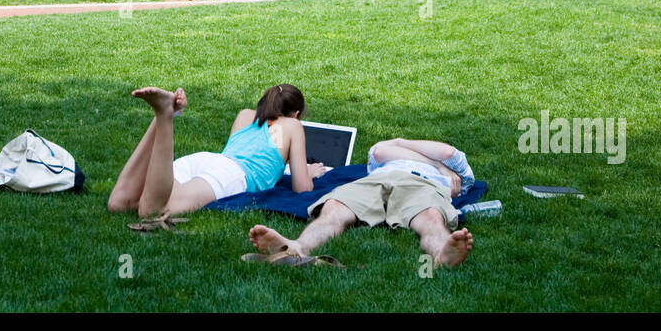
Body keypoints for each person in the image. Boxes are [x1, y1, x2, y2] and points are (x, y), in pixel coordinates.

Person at [248, 137, 476, 268]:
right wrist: (438, 166)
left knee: (431, 216)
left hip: (421, 184)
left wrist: (436, 164)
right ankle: (297, 247)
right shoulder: (379, 162)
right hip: (377, 180)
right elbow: (381, 151)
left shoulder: (463, 174)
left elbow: (445, 150)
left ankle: (442, 252)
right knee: (334, 208)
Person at [108, 84, 325, 221]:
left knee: (120, 203)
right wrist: (309, 173)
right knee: (152, 211)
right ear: (296, 114)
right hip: (232, 174)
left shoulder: (245, 115)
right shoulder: (293, 126)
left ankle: (163, 117)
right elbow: (301, 189)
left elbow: (260, 147)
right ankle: (164, 115)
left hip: (209, 161)